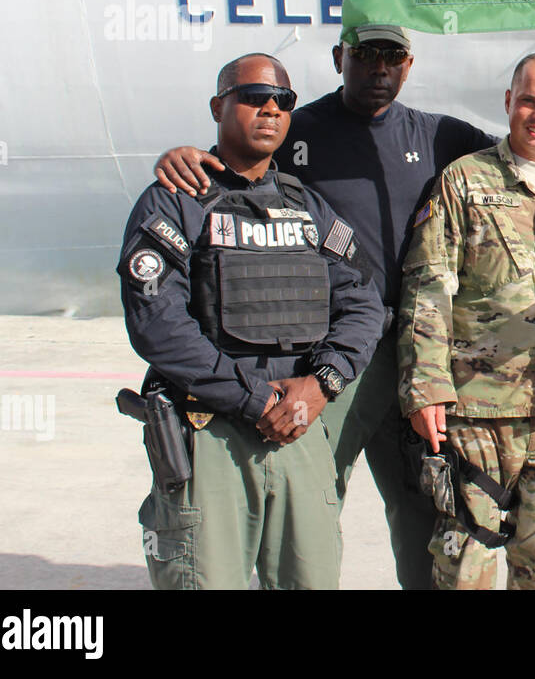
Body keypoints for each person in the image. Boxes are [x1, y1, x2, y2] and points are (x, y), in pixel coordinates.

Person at [153, 25, 535, 590]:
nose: (379, 67)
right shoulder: (300, 127)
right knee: (315, 498)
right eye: (365, 55)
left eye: (392, 56)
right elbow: (242, 160)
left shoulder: (441, 135)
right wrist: (186, 154)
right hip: (334, 356)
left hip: (421, 354)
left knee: (427, 505)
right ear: (340, 58)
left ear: (409, 65)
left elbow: (527, 148)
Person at [118, 53, 385, 589]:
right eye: (252, 96)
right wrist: (253, 398)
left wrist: (321, 384)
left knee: (310, 579)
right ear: (219, 107)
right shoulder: (176, 201)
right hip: (209, 431)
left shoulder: (307, 207)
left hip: (299, 431)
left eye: (283, 100)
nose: (269, 108)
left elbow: (363, 301)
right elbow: (158, 323)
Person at [398, 52, 535, 590]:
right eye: (528, 99)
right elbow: (428, 286)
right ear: (509, 102)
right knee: (467, 564)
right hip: (478, 411)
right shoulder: (464, 181)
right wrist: (426, 387)